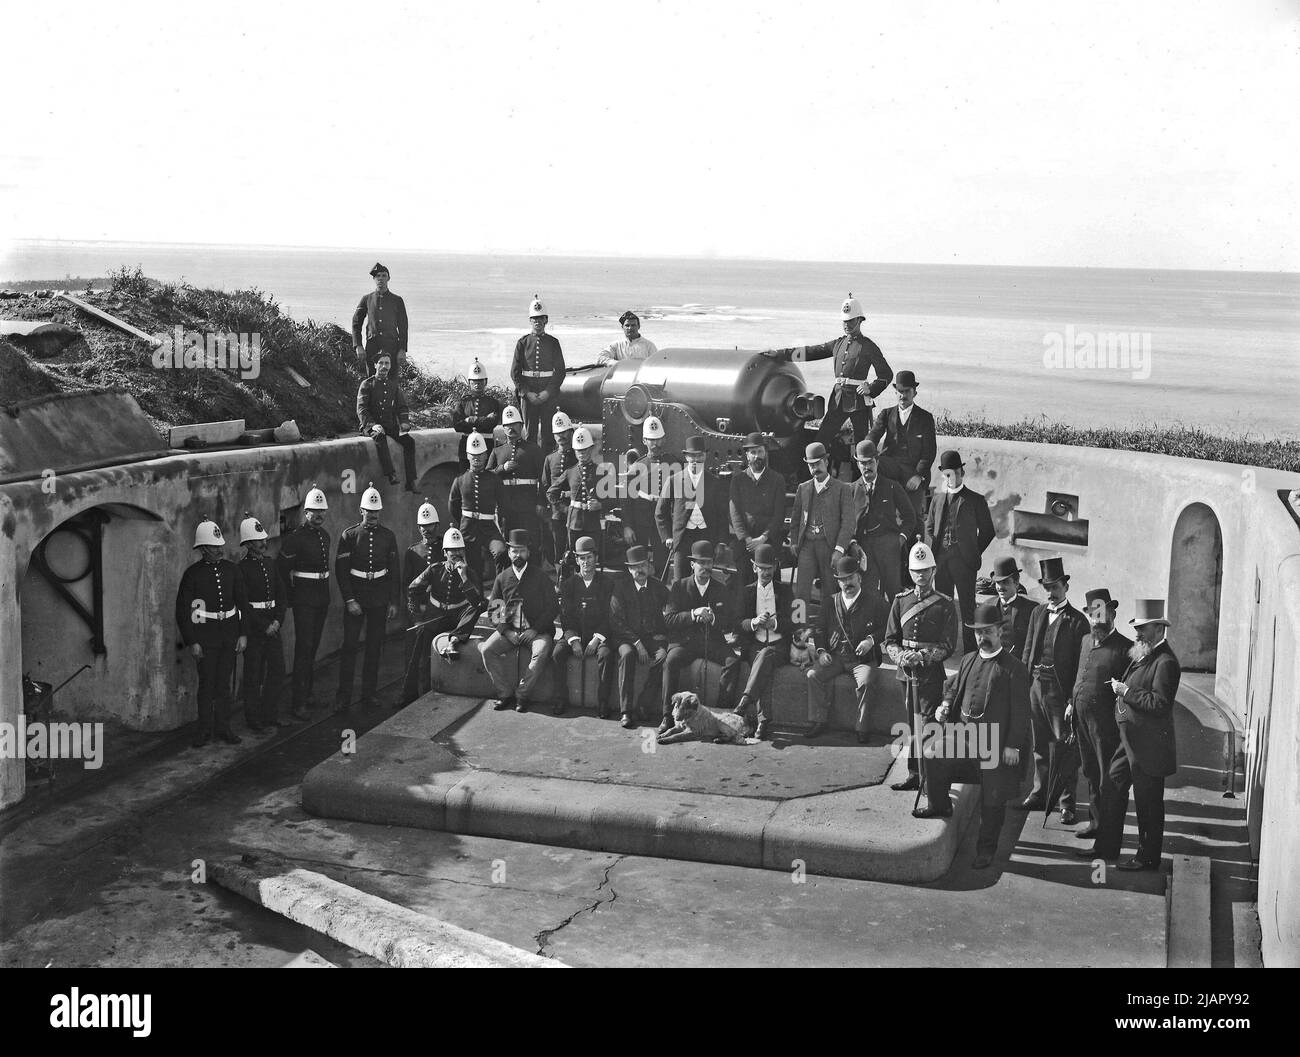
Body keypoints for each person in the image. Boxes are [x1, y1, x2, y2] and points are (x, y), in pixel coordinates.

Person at [915, 603, 1031, 871]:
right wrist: (945, 705)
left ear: (1000, 631)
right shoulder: (968, 659)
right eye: (978, 632)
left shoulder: (1014, 668)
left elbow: (1022, 713)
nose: (982, 637)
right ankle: (940, 805)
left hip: (996, 744)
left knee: (992, 798)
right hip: (964, 736)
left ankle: (986, 850)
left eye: (988, 631)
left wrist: (1012, 745)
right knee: (932, 752)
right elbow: (951, 689)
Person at [1093, 599, 1181, 871]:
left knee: (1148, 805)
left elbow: (1160, 704)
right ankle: (1107, 848)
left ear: (1159, 629)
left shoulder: (1165, 662)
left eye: (1143, 628)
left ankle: (1148, 858)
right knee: (1112, 784)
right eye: (1137, 627)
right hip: (1129, 741)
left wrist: (1126, 692)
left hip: (1149, 747)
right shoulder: (1144, 654)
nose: (1138, 632)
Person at [760, 294, 893, 448]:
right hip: (837, 400)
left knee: (862, 445)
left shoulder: (869, 346)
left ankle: (861, 472)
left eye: (850, 321)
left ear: (859, 320)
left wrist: (871, 387)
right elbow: (811, 352)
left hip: (859, 403)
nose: (846, 324)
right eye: (844, 321)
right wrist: (780, 354)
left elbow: (886, 374)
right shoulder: (838, 344)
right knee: (821, 440)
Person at [1018, 556, 1090, 823]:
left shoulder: (1078, 621)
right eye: (1046, 587)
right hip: (1036, 687)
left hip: (1060, 694)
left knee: (1064, 747)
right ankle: (1038, 794)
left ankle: (1067, 803)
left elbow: (1081, 667)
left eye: (1055, 587)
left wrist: (1072, 699)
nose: (1050, 592)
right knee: (1039, 745)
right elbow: (1027, 652)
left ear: (1065, 587)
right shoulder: (1037, 613)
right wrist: (1024, 687)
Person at [884, 542, 961, 792]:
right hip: (906, 673)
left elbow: (948, 644)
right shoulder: (900, 601)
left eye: (926, 570)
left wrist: (925, 656)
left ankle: (932, 777)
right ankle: (914, 773)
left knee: (928, 724)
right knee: (911, 722)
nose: (921, 575)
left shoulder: (945, 604)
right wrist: (901, 656)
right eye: (917, 571)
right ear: (910, 571)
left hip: (930, 675)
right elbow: (890, 640)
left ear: (934, 571)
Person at [1068, 589, 1132, 849]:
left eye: (1101, 614)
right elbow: (1079, 676)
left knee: (1108, 781)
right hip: (1081, 720)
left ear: (1112, 614)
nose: (1097, 620)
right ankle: (1095, 824)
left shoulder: (1125, 648)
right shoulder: (1085, 640)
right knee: (1091, 773)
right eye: (1092, 615)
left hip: (1106, 727)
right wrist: (1072, 704)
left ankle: (1106, 840)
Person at [175, 519, 248, 747]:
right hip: (205, 637)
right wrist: (192, 641)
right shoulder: (192, 574)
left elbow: (243, 604)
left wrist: (242, 634)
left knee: (223, 684)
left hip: (228, 635)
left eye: (220, 545)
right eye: (214, 546)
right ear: (203, 548)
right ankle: (204, 730)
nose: (219, 549)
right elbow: (183, 610)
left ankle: (224, 727)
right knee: (207, 685)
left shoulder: (231, 570)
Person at [660, 540, 742, 733]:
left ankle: (722, 712)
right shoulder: (679, 586)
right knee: (670, 661)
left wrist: (714, 618)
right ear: (692, 565)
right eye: (701, 563)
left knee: (733, 661)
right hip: (685, 642)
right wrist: (693, 614)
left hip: (711, 641)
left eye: (709, 563)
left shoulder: (720, 588)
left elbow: (730, 622)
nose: (705, 567)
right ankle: (666, 716)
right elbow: (669, 619)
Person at [805, 554, 890, 742]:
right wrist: (821, 651)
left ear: (859, 578)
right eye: (842, 580)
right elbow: (819, 628)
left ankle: (862, 727)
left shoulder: (875, 601)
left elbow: (889, 627)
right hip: (835, 658)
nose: (847, 583)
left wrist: (870, 640)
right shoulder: (830, 601)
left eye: (850, 578)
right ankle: (819, 720)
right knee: (813, 675)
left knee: (867, 681)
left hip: (862, 660)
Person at [335, 484, 399, 712]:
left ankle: (368, 694)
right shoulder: (349, 535)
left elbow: (394, 570)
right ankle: (343, 697)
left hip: (379, 599)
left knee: (374, 647)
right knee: (350, 647)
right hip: (357, 598)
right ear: (361, 511)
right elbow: (341, 570)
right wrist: (350, 599)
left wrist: (393, 601)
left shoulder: (388, 536)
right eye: (369, 512)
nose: (373, 517)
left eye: (376, 513)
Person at [481, 529, 559, 713]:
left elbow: (553, 607)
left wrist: (536, 629)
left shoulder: (540, 577)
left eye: (522, 550)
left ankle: (522, 695)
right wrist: (506, 631)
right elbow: (494, 609)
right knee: (487, 650)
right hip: (511, 632)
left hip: (537, 632)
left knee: (541, 652)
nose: (518, 555)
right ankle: (505, 694)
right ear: (508, 553)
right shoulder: (502, 578)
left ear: (528, 552)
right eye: (514, 551)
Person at [925, 449, 995, 653]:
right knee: (944, 607)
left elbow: (988, 530)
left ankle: (971, 651)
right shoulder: (937, 499)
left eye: (954, 473)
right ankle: (945, 648)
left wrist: (974, 550)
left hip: (965, 563)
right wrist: (933, 552)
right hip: (942, 562)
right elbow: (929, 527)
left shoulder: (974, 500)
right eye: (946, 474)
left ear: (961, 473)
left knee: (967, 608)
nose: (950, 477)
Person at [279, 485, 333, 720]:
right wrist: (291, 598)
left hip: (321, 598)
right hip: (303, 600)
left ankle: (308, 693)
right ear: (306, 513)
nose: (319, 515)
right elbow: (283, 571)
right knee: (303, 649)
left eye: (322, 511)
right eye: (314, 511)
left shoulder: (324, 536)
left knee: (312, 647)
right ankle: (297, 702)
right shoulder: (295, 539)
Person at [731, 544, 795, 740]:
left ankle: (745, 701)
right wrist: (753, 623)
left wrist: (775, 624)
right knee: (763, 662)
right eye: (761, 568)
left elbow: (796, 621)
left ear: (775, 568)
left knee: (766, 655)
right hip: (755, 644)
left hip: (779, 647)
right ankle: (763, 721)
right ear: (754, 568)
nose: (765, 572)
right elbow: (736, 623)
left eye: (769, 568)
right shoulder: (746, 592)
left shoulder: (786, 591)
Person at [608, 544, 673, 728]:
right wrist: (637, 643)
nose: (640, 570)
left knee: (663, 656)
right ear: (629, 569)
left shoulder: (657, 587)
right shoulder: (620, 587)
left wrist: (663, 634)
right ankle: (626, 711)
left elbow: (671, 607)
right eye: (635, 566)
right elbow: (616, 622)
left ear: (649, 566)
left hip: (651, 638)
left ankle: (644, 704)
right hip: (626, 638)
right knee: (627, 655)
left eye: (643, 565)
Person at [550, 536, 616, 717]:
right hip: (576, 634)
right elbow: (566, 616)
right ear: (577, 561)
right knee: (557, 653)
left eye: (589, 557)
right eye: (582, 558)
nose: (586, 562)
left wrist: (597, 639)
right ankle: (560, 699)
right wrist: (573, 640)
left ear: (596, 558)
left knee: (606, 654)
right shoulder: (568, 584)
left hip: (599, 635)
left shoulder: (607, 583)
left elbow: (610, 615)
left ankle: (602, 702)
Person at [848, 438, 918, 600]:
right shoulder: (850, 490)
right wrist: (853, 543)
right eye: (862, 463)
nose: (867, 467)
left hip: (888, 548)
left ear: (877, 462)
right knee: (868, 594)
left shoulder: (892, 486)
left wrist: (900, 539)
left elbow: (910, 517)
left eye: (870, 462)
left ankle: (894, 625)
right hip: (863, 550)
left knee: (894, 593)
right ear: (858, 465)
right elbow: (845, 523)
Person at [788, 442, 854, 610]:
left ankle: (829, 629)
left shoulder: (842, 489)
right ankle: (800, 628)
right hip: (807, 546)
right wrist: (794, 541)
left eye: (817, 463)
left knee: (830, 590)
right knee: (801, 590)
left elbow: (848, 522)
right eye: (811, 465)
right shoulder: (803, 488)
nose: (814, 469)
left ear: (826, 461)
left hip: (829, 546)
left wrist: (839, 550)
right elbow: (795, 520)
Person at [406, 527, 486, 667]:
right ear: (445, 552)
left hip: (457, 619)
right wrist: (417, 618)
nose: (456, 553)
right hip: (434, 616)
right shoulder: (434, 569)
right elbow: (412, 590)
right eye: (452, 550)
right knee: (423, 659)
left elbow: (478, 603)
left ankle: (454, 640)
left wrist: (464, 577)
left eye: (459, 549)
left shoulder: (470, 573)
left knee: (475, 608)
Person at [235, 512, 284, 733]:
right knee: (254, 675)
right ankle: (253, 719)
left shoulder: (270, 564)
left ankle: (270, 714)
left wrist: (277, 621)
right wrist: (263, 625)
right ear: (248, 543)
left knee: (277, 671)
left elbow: (281, 595)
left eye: (264, 539)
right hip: (255, 630)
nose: (264, 543)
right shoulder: (241, 569)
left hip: (273, 627)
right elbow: (243, 604)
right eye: (258, 540)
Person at [656, 435, 729, 582]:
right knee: (680, 580)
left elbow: (722, 515)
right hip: (682, 538)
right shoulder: (673, 480)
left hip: (706, 537)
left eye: (699, 456)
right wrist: (668, 537)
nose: (696, 460)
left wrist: (721, 542)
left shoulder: (715, 483)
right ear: (686, 457)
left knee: (703, 578)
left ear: (705, 456)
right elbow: (660, 512)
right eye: (692, 456)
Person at [868, 369, 936, 523]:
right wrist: (865, 449)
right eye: (899, 391)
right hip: (890, 468)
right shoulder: (886, 414)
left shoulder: (925, 418)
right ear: (895, 392)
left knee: (913, 516)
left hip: (913, 471)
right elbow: (873, 436)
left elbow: (929, 451)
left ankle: (916, 546)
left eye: (907, 391)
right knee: (878, 510)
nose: (902, 395)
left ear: (914, 393)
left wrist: (919, 476)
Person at [399, 500, 444, 706]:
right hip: (418, 611)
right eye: (422, 526)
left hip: (438, 610)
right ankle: (408, 696)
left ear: (437, 525)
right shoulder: (412, 551)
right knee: (412, 656)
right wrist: (414, 614)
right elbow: (407, 585)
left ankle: (428, 695)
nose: (426, 530)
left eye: (430, 525)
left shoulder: (446, 547)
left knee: (431, 655)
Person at [449, 431, 507, 583]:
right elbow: (453, 506)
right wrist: (463, 521)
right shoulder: (459, 480)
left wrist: (500, 524)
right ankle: (478, 601)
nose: (477, 458)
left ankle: (499, 590)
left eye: (480, 454)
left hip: (489, 527)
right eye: (473, 455)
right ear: (468, 455)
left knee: (501, 552)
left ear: (486, 455)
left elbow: (503, 504)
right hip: (468, 529)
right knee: (474, 568)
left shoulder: (494, 479)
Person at [510, 294, 566, 452]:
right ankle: (531, 468)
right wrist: (527, 393)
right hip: (528, 394)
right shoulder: (523, 343)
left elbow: (560, 371)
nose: (538, 322)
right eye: (534, 319)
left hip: (548, 393)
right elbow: (515, 372)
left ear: (546, 320)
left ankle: (546, 469)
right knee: (529, 433)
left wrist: (548, 392)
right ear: (530, 321)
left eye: (541, 319)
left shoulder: (553, 343)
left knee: (549, 433)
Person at [357, 351, 417, 491]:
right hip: (371, 426)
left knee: (409, 442)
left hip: (390, 425)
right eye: (381, 363)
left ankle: (411, 481)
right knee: (379, 436)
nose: (384, 366)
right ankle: (391, 474)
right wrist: (372, 425)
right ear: (375, 365)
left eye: (387, 363)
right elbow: (361, 409)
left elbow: (402, 406)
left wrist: (404, 422)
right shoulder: (367, 384)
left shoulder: (393, 385)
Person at [489, 404, 545, 547]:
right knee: (508, 540)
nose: (511, 428)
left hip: (528, 504)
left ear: (521, 426)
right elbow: (488, 476)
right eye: (507, 425)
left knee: (531, 540)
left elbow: (544, 478)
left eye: (514, 424)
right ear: (503, 428)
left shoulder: (533, 450)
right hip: (505, 505)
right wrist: (502, 468)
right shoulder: (497, 451)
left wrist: (541, 502)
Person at [548, 426, 608, 554]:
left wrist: (600, 505)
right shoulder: (570, 472)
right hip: (574, 523)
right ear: (574, 451)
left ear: (591, 449)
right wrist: (565, 509)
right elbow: (551, 493)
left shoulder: (601, 472)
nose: (581, 454)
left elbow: (614, 499)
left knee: (592, 555)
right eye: (578, 450)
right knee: (573, 556)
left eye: (585, 450)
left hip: (592, 523)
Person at [729, 432, 788, 558]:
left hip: (769, 542)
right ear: (747, 455)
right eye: (753, 452)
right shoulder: (738, 480)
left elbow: (779, 514)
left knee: (769, 576)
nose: (757, 456)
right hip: (745, 544)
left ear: (765, 452)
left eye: (760, 451)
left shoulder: (777, 480)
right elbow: (734, 513)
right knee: (743, 576)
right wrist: (747, 539)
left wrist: (763, 538)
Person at [624, 416, 670, 571]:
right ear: (644, 441)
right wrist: (627, 526)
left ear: (664, 439)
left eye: (658, 439)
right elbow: (627, 500)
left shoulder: (674, 464)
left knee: (661, 564)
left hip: (663, 525)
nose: (655, 444)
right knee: (638, 562)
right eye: (651, 439)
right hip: (640, 523)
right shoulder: (637, 467)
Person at [351, 262, 408, 375]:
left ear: (388, 278)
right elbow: (356, 323)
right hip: (372, 346)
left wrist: (402, 349)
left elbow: (403, 326)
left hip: (391, 346)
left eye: (384, 275)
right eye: (378, 276)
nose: (381, 278)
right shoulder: (367, 299)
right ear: (374, 279)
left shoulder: (397, 300)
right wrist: (358, 346)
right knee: (372, 379)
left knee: (391, 380)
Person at [540, 410, 577, 568]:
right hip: (556, 512)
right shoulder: (550, 459)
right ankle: (560, 581)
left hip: (574, 510)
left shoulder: (578, 457)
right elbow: (545, 485)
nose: (561, 436)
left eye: (564, 432)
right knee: (558, 547)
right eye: (557, 433)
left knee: (574, 548)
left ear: (571, 432)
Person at [452, 359, 502, 471]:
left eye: (480, 381)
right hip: (466, 447)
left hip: (487, 446)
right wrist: (483, 420)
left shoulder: (492, 403)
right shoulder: (462, 402)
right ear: (469, 382)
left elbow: (492, 423)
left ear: (486, 381)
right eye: (474, 381)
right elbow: (457, 425)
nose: (477, 384)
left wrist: (470, 420)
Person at [988, 556, 1036, 660]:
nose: (1000, 587)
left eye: (1005, 582)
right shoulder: (987, 606)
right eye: (998, 583)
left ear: (1016, 583)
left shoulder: (1031, 609)